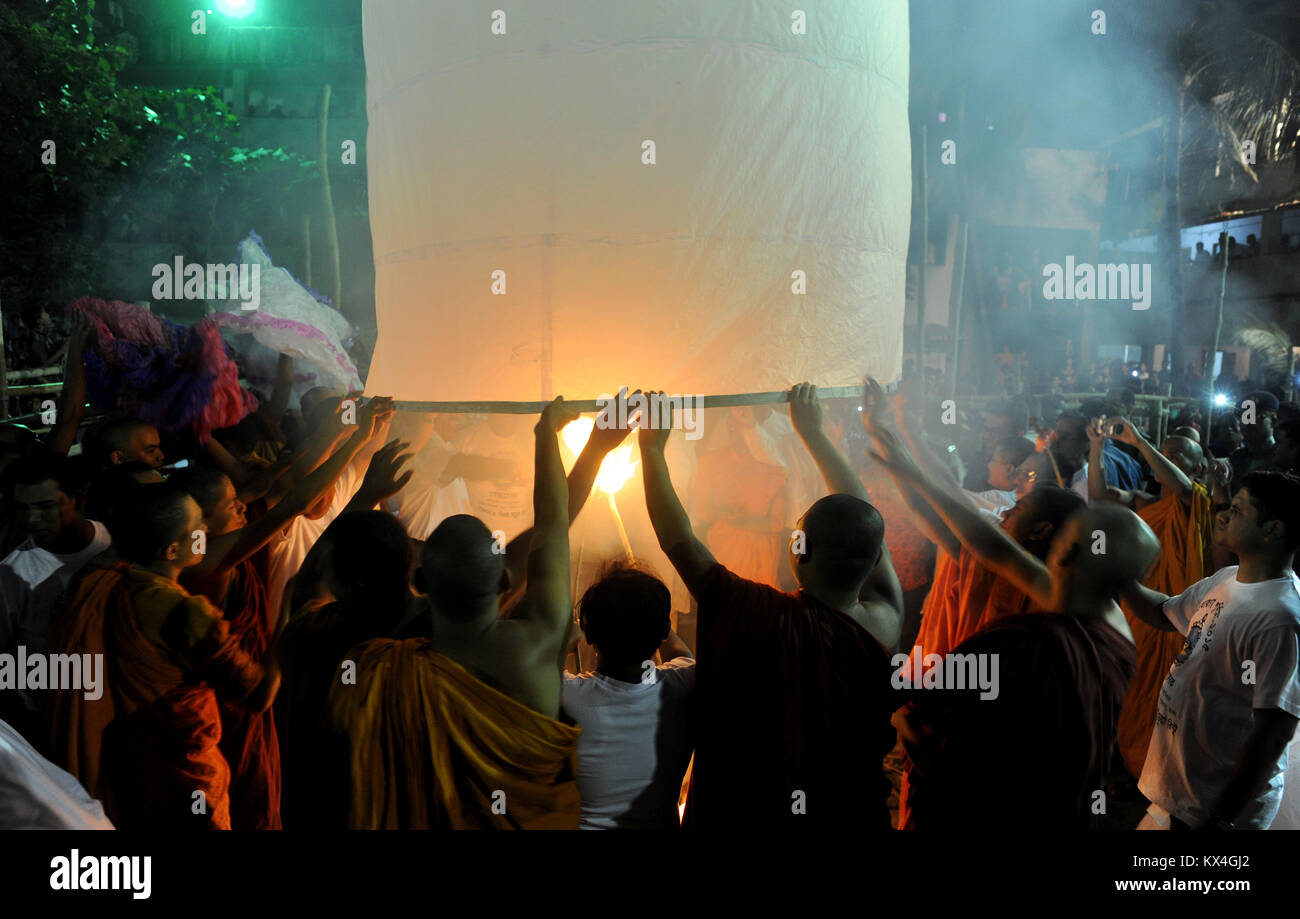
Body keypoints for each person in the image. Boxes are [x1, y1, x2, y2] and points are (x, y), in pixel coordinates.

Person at [861, 379, 1155, 829]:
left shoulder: (1049, 630)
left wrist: (926, 739)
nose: (1004, 516)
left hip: (1002, 790)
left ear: (1062, 549)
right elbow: (988, 546)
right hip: (1052, 798)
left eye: (1015, 513)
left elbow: (986, 543)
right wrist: (903, 447)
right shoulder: (1099, 617)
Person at [642, 384, 903, 827]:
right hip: (846, 815)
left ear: (798, 553)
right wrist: (814, 434)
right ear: (877, 560)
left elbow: (678, 540)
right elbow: (866, 523)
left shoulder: (750, 607)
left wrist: (651, 447)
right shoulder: (885, 621)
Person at [322, 397, 584, 828]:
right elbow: (554, 522)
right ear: (504, 583)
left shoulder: (376, 668)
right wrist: (546, 434)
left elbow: (314, 587)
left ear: (421, 585)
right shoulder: (540, 640)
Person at [45, 485, 280, 829]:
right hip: (188, 776)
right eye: (198, 527)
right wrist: (287, 614)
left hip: (132, 768)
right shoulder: (184, 612)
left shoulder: (96, 586)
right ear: (171, 550)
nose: (207, 532)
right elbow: (259, 696)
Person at [1121, 471, 1300, 829]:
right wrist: (1120, 577)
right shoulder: (1227, 579)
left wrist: (1221, 818)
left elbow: (1273, 733)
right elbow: (1163, 612)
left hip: (1212, 807)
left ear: (1273, 529)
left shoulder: (1280, 616)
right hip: (1179, 795)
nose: (1222, 515)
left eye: (1236, 510)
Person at [1085, 418, 1219, 779]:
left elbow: (1184, 489)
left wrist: (1142, 442)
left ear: (1199, 466)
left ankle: (1160, 774)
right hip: (1142, 615)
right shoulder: (1145, 502)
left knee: (1169, 701)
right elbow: (1100, 496)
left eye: (1175, 454)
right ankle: (1129, 765)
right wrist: (1098, 448)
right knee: (1133, 693)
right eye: (1164, 451)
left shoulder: (1200, 504)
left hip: (1179, 619)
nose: (1165, 457)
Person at [561, 560, 695, 830]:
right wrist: (656, 621)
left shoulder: (566, 697)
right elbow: (682, 655)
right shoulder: (684, 685)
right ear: (662, 633)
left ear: (588, 632)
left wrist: (569, 634)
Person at [0, 453, 112, 741]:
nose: (32, 520)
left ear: (79, 497)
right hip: (54, 717)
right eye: (23, 509)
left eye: (46, 506)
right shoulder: (13, 573)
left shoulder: (114, 545)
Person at [1230, 391, 1279, 480]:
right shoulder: (1236, 458)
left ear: (1273, 421)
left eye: (1257, 417)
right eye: (1244, 417)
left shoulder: (1281, 459)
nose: (1248, 423)